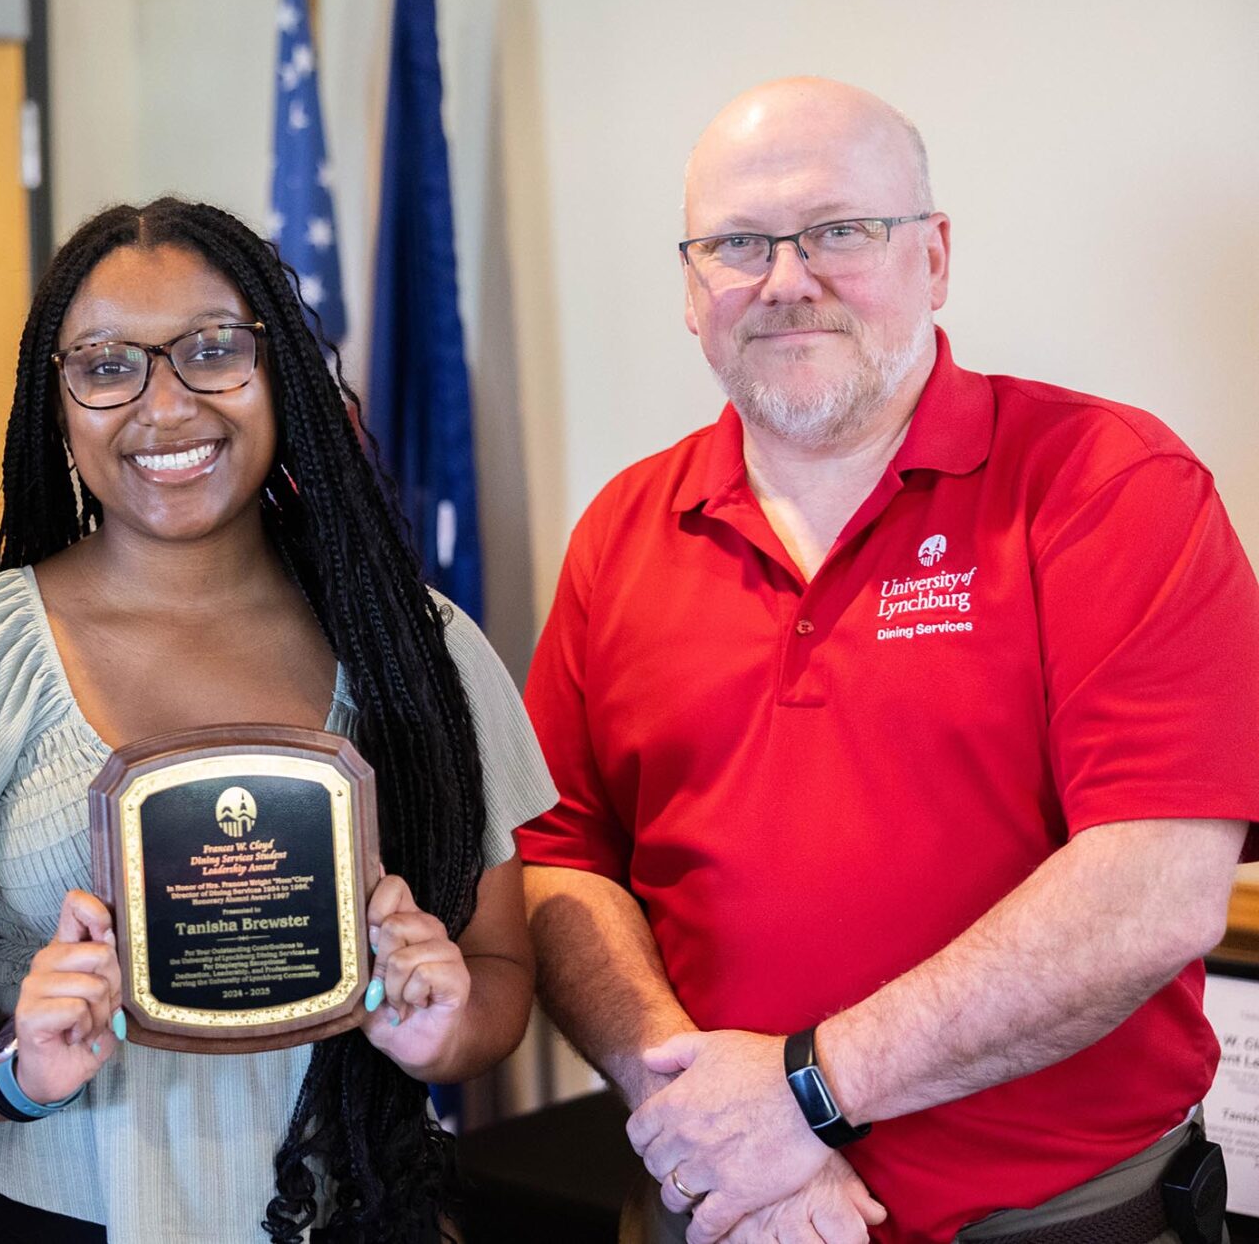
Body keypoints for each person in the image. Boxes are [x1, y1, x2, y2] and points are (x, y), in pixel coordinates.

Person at [518, 75, 1259, 1244]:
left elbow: (1153, 889)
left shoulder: (1109, 488)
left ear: (934, 255)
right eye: (735, 244)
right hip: (714, 1215)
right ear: (689, 287)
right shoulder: (621, 530)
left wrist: (804, 1093)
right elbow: (556, 860)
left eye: (838, 231)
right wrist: (712, 1130)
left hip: (1056, 1225)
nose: (784, 279)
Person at [0, 197, 555, 1243]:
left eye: (212, 350)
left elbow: (499, 972)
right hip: (56, 1219)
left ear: (280, 375)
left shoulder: (419, 648)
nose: (165, 404)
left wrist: (440, 1027)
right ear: (55, 403)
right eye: (105, 365)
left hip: (355, 1209)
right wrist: (15, 1065)